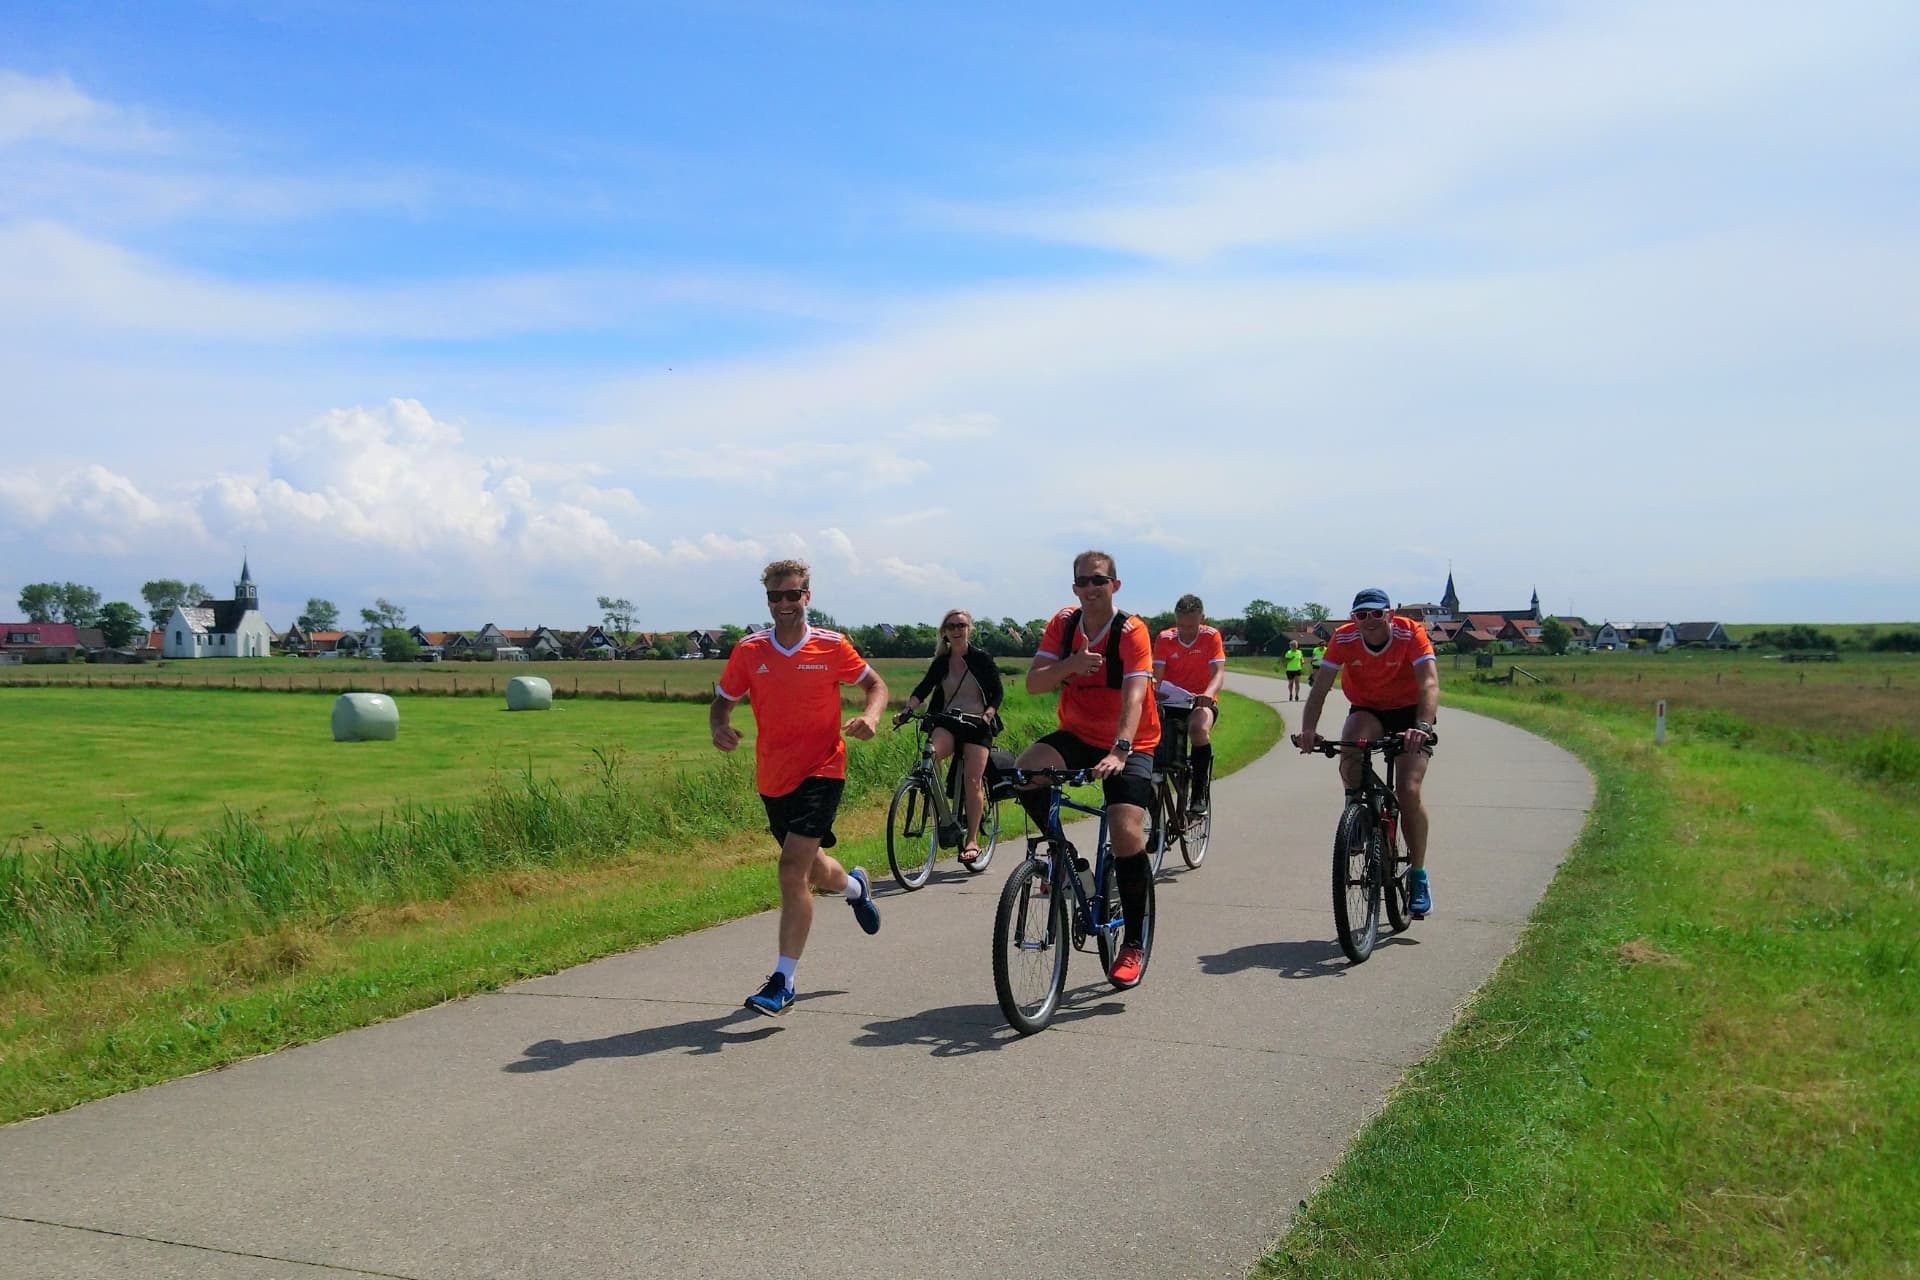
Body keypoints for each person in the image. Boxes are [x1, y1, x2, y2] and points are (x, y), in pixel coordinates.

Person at [711, 559, 889, 1016]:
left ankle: (782, 981)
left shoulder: (831, 645)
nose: (785, 604)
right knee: (811, 869)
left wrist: (870, 717)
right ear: (767, 599)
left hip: (824, 767)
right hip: (774, 777)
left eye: (794, 595)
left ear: (808, 597)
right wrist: (720, 727)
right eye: (776, 596)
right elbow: (723, 701)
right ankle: (853, 888)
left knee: (791, 869)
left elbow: (876, 685)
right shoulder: (750, 651)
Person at [1016, 550, 1160, 985]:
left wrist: (1120, 750)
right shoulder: (1063, 624)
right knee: (1025, 773)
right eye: (1083, 582)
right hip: (1077, 735)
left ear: (1115, 585)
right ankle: (1067, 860)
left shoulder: (1131, 631)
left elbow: (1135, 695)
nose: (1091, 588)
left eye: (1100, 581)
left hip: (1132, 740)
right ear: (1074, 588)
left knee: (1125, 831)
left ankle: (1133, 942)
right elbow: (1034, 682)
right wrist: (1071, 665)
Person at [1292, 587, 1440, 915]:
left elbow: (1429, 683)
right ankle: (1355, 808)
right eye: (1362, 615)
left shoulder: (1409, 632)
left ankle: (1418, 875)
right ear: (1353, 618)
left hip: (1410, 713)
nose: (1369, 621)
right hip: (1368, 708)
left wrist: (1423, 727)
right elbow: (1320, 688)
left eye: (1376, 614)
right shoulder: (1344, 639)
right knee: (1351, 745)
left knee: (1408, 789)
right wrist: (1308, 730)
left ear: (1389, 614)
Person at [892, 608, 1005, 864]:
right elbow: (923, 688)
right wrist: (907, 710)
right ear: (944, 632)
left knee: (972, 780)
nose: (957, 630)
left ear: (969, 629)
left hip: (977, 724)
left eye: (961, 625)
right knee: (930, 754)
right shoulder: (941, 662)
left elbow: (997, 692)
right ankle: (942, 811)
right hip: (949, 721)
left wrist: (987, 715)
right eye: (951, 626)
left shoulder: (981, 659)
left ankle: (973, 840)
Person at [1152, 594, 1226, 813]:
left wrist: (1209, 692)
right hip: (1171, 701)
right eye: (1181, 625)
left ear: (1202, 618)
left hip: (1198, 700)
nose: (1186, 630)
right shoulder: (1165, 638)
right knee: (1151, 734)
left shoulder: (1211, 636)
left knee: (1198, 729)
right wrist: (1154, 689)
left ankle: (1199, 791)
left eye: (1191, 625)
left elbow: (1218, 672)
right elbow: (1157, 673)